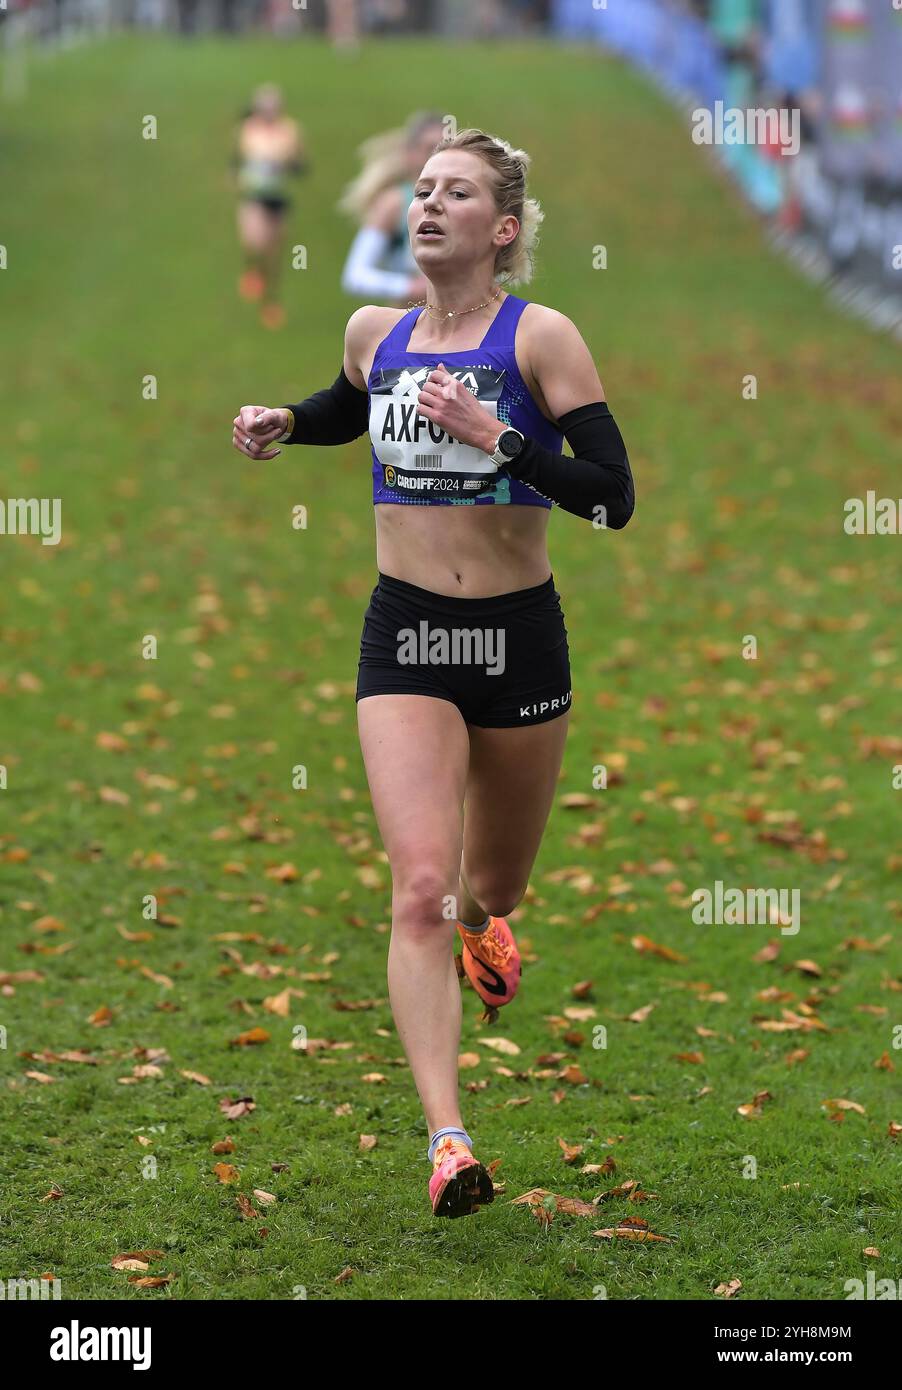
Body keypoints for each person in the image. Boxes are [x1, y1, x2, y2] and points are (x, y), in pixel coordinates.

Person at [232, 128, 634, 1218]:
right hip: (404, 633)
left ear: (499, 229)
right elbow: (350, 405)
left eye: (454, 193)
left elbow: (610, 495)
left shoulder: (540, 339)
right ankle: (447, 1138)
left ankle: (484, 924)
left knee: (485, 886)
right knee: (418, 884)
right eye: (419, 190)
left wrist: (498, 435)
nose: (426, 205)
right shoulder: (378, 329)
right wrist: (287, 422)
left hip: (515, 640)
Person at [337, 111, 444, 306]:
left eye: (445, 150)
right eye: (430, 148)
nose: (438, 158)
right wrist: (410, 287)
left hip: (462, 325)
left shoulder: (463, 204)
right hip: (408, 322)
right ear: (410, 153)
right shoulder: (394, 203)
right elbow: (355, 276)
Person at [232, 83, 307, 329]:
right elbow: (237, 158)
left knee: (273, 252)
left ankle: (270, 300)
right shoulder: (248, 129)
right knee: (254, 240)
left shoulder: (290, 130)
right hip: (254, 195)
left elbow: (301, 165)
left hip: (278, 197)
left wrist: (288, 163)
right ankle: (252, 271)